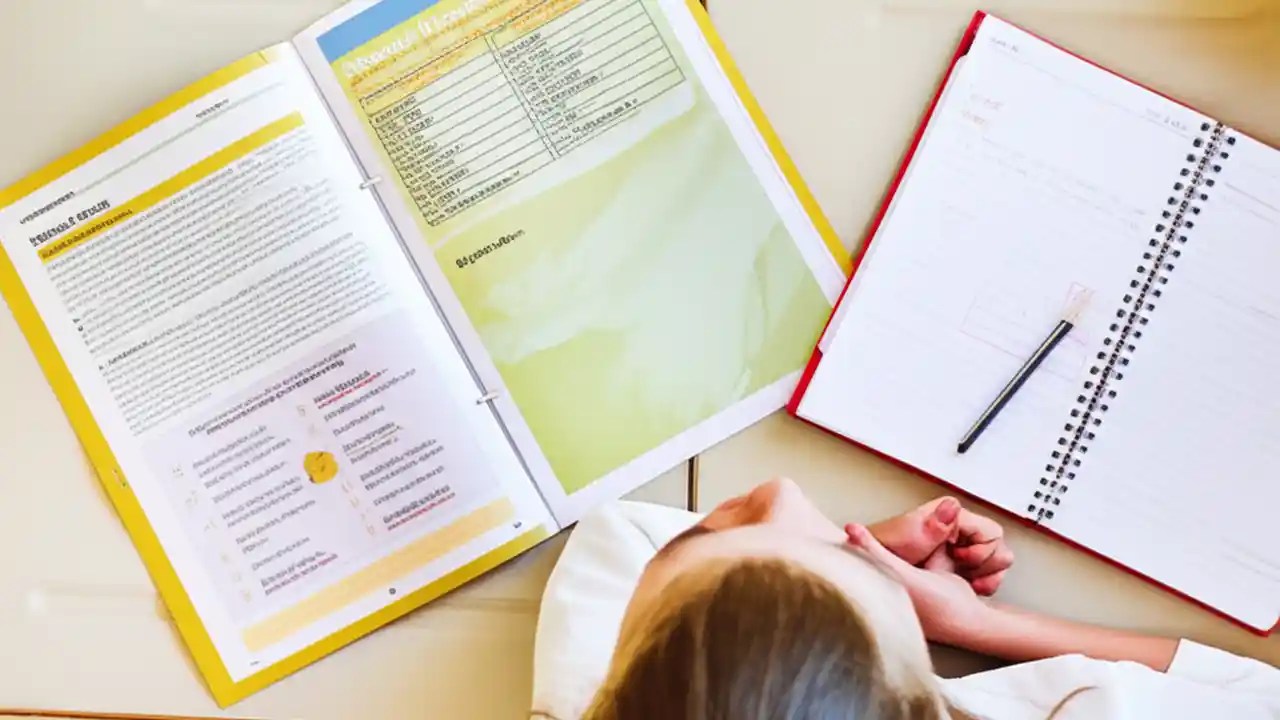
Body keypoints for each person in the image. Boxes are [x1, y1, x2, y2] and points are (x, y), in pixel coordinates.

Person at [530, 478, 1280, 719]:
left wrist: (858, 579)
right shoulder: (1090, 705)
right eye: (842, 550)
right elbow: (1256, 692)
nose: (780, 490)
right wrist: (983, 624)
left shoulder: (633, 692)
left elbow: (622, 532)